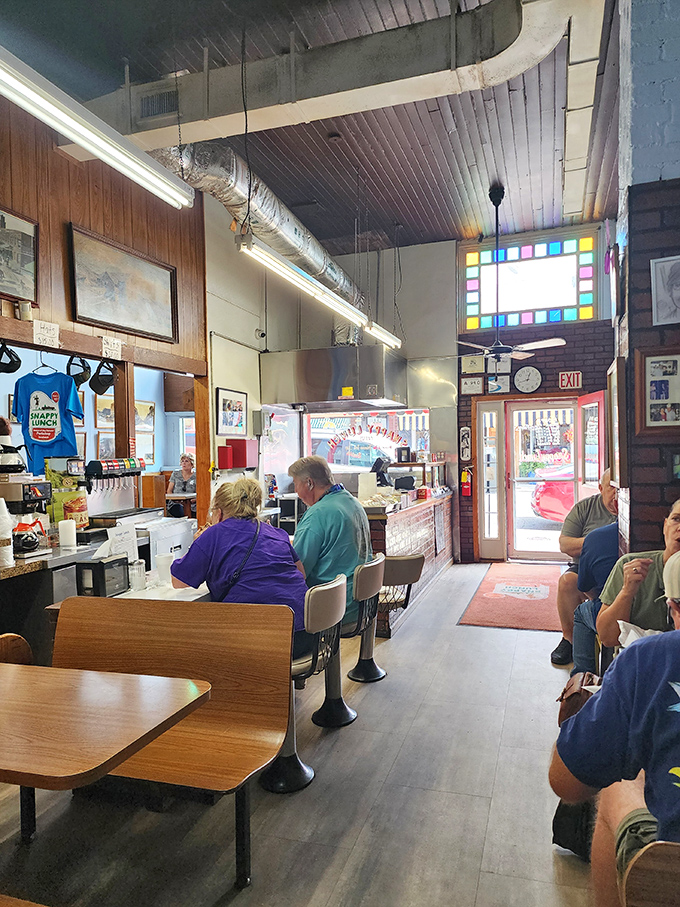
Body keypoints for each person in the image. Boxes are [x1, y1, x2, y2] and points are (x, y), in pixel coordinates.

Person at [549, 550, 680, 907]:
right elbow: (607, 631)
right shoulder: (636, 562)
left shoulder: (653, 657)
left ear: (672, 606)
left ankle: (583, 672)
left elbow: (566, 782)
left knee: (616, 786)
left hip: (670, 868)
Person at [170, 477, 313, 657]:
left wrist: (198, 544)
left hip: (263, 641)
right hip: (305, 634)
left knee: (196, 644)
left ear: (219, 512)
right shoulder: (275, 532)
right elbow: (301, 574)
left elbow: (178, 580)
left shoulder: (213, 534)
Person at [288, 455, 371, 625]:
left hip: (334, 608)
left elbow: (298, 571)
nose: (296, 491)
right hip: (360, 604)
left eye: (296, 484)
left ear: (309, 483)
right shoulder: (351, 501)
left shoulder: (317, 515)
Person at [551, 470, 619, 665]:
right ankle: (569, 640)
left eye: (619, 489)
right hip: (586, 570)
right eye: (611, 488)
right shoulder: (585, 508)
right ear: (601, 488)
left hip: (618, 572)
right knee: (567, 582)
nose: (615, 494)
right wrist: (595, 543)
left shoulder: (631, 509)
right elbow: (564, 544)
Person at [595, 498, 680, 647]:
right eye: (676, 519)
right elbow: (607, 637)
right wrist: (627, 592)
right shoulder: (631, 566)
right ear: (665, 526)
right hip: (639, 661)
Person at [570, 520, 620, 675]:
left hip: (613, 619)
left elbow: (585, 587)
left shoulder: (597, 537)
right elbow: (564, 543)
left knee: (581, 613)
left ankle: (582, 682)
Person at [167, 452, 196, 517]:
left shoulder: (196, 476)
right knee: (178, 509)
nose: (184, 463)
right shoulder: (175, 474)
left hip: (192, 504)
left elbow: (200, 492)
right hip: (175, 503)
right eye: (182, 461)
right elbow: (169, 491)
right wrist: (174, 499)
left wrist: (194, 500)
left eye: (186, 461)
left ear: (192, 464)